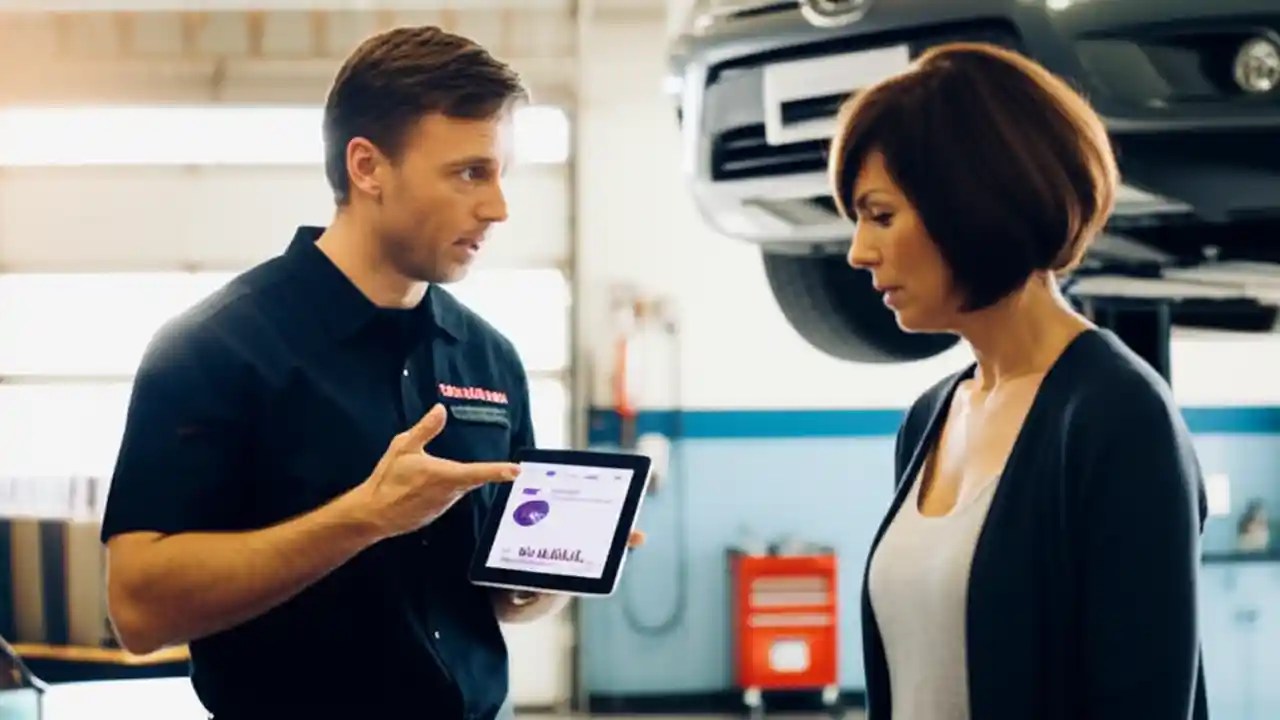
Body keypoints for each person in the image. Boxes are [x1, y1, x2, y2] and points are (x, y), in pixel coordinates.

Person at [99, 25, 641, 720]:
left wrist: (562, 564)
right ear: (368, 168)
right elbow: (139, 612)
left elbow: (502, 602)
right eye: (470, 172)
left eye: (504, 174)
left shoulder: (490, 358)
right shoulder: (213, 349)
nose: (499, 207)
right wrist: (363, 518)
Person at [826, 43, 1209, 720]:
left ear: (971, 204)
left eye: (880, 215)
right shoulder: (930, 417)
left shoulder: (1118, 416)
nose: (859, 252)